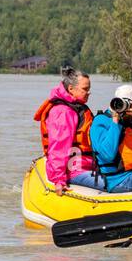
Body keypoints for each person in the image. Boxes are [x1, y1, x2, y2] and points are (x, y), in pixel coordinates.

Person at [33, 65, 97, 195]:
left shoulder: (76, 108)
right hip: (74, 170)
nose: (89, 92)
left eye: (89, 89)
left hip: (85, 166)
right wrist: (59, 180)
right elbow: (58, 148)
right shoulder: (63, 112)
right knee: (114, 185)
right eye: (85, 89)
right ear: (71, 89)